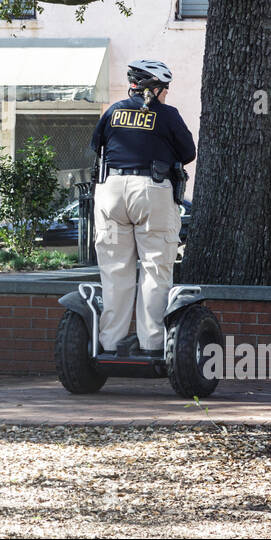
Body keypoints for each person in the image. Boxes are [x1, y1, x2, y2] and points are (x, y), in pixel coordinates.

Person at [90, 58, 196, 356]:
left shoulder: (112, 112)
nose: (167, 94)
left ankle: (110, 343)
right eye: (166, 88)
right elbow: (188, 152)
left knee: (114, 270)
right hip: (151, 191)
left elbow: (96, 145)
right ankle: (151, 343)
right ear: (155, 87)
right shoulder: (167, 115)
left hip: (110, 191)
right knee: (154, 269)